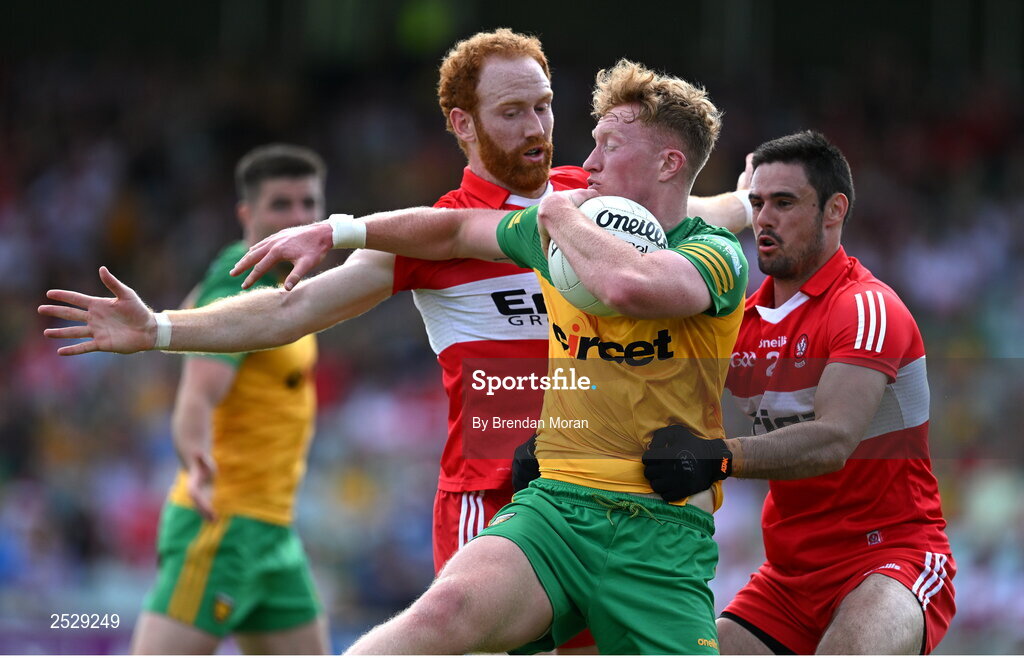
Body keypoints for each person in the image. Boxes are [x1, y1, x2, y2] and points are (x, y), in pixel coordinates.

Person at [39, 30, 750, 652]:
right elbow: (285, 312)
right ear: (461, 124)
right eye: (511, 113)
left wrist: (760, 199)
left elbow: (690, 211)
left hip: (610, 500)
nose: (537, 127)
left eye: (544, 105)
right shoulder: (433, 232)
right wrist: (161, 329)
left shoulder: (593, 201)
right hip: (496, 495)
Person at [227, 58, 749, 654]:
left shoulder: (706, 252)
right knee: (441, 617)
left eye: (606, 144)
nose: (587, 159)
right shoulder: (557, 218)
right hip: (540, 502)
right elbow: (450, 232)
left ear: (668, 163)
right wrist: (338, 230)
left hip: (660, 531)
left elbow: (642, 271)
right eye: (514, 110)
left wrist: (561, 213)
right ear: (462, 123)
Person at [640, 131, 956, 654]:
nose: (764, 219)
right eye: (758, 204)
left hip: (890, 557)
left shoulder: (867, 307)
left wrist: (718, 459)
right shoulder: (739, 322)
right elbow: (649, 406)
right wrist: (567, 448)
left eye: (784, 203)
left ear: (835, 210)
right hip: (788, 578)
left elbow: (833, 441)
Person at [142, 144, 330, 653]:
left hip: (274, 531)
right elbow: (197, 394)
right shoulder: (240, 292)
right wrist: (195, 461)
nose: (298, 217)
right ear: (247, 214)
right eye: (281, 205)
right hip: (222, 524)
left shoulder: (274, 282)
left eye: (308, 204)